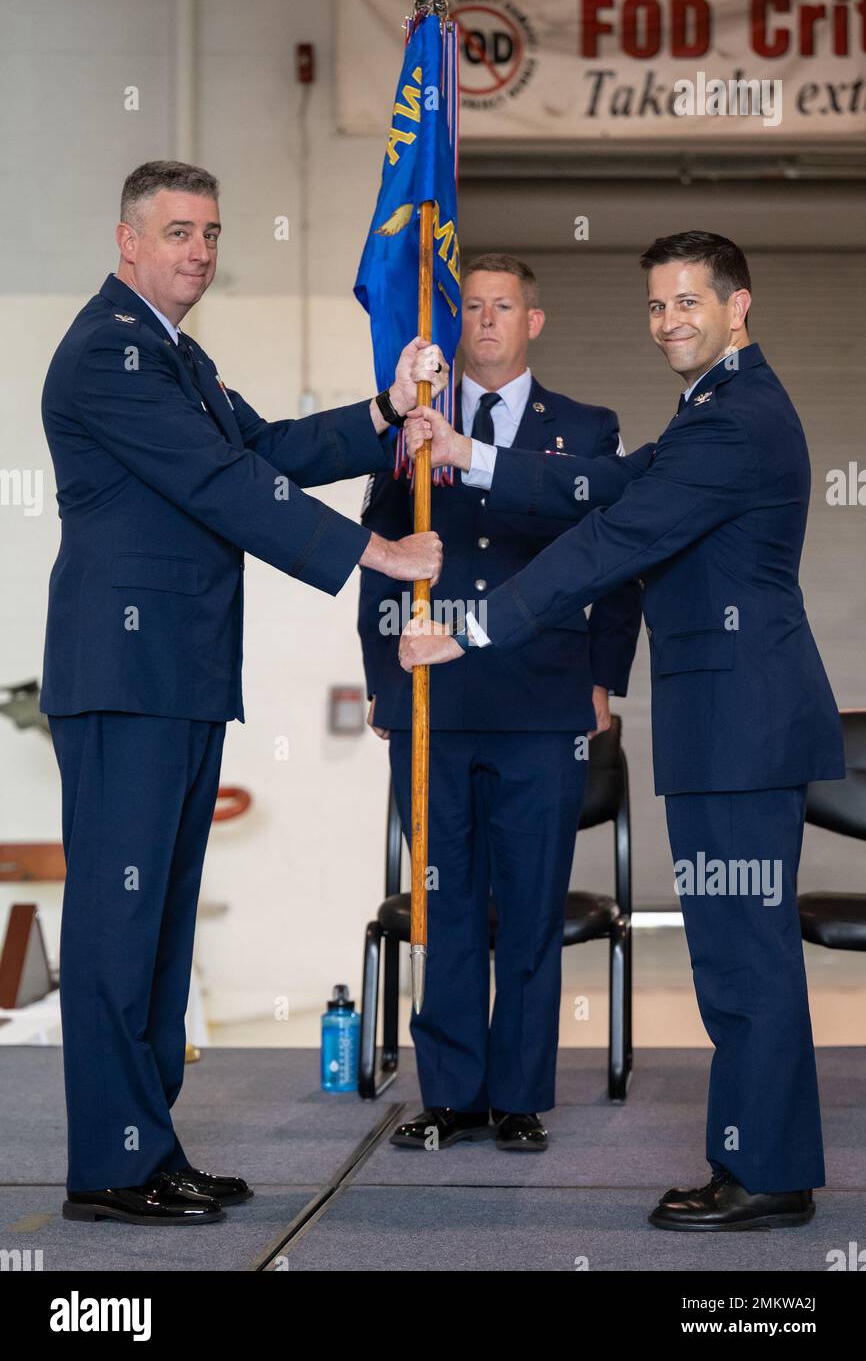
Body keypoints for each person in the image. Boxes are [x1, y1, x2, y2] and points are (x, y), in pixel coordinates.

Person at [400, 231, 845, 1231]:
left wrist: (471, 624)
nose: (667, 320)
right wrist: (472, 456)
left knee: (743, 960)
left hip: (741, 727)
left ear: (738, 307)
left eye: (687, 301)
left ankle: (765, 1175)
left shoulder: (736, 421)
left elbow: (611, 540)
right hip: (722, 724)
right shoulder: (710, 412)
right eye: (653, 305)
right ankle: (760, 1163)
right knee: (734, 957)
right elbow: (601, 487)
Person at [40, 159, 446, 1226]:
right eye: (178, 232)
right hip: (125, 678)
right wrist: (376, 551)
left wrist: (383, 410)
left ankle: (147, 1145)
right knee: (118, 928)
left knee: (160, 929)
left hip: (175, 676)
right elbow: (224, 484)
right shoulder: (108, 353)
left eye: (211, 233)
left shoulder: (180, 357)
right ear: (127, 241)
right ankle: (110, 1168)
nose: (200, 252)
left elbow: (263, 448)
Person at [358, 254, 642, 1152]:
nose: (484, 320)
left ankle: (518, 1096)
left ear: (534, 322)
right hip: (432, 698)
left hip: (542, 702)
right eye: (471, 306)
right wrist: (379, 678)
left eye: (502, 306)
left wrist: (603, 675)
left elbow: (620, 557)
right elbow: (380, 551)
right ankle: (449, 1094)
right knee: (441, 903)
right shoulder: (412, 429)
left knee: (528, 904)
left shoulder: (588, 430)